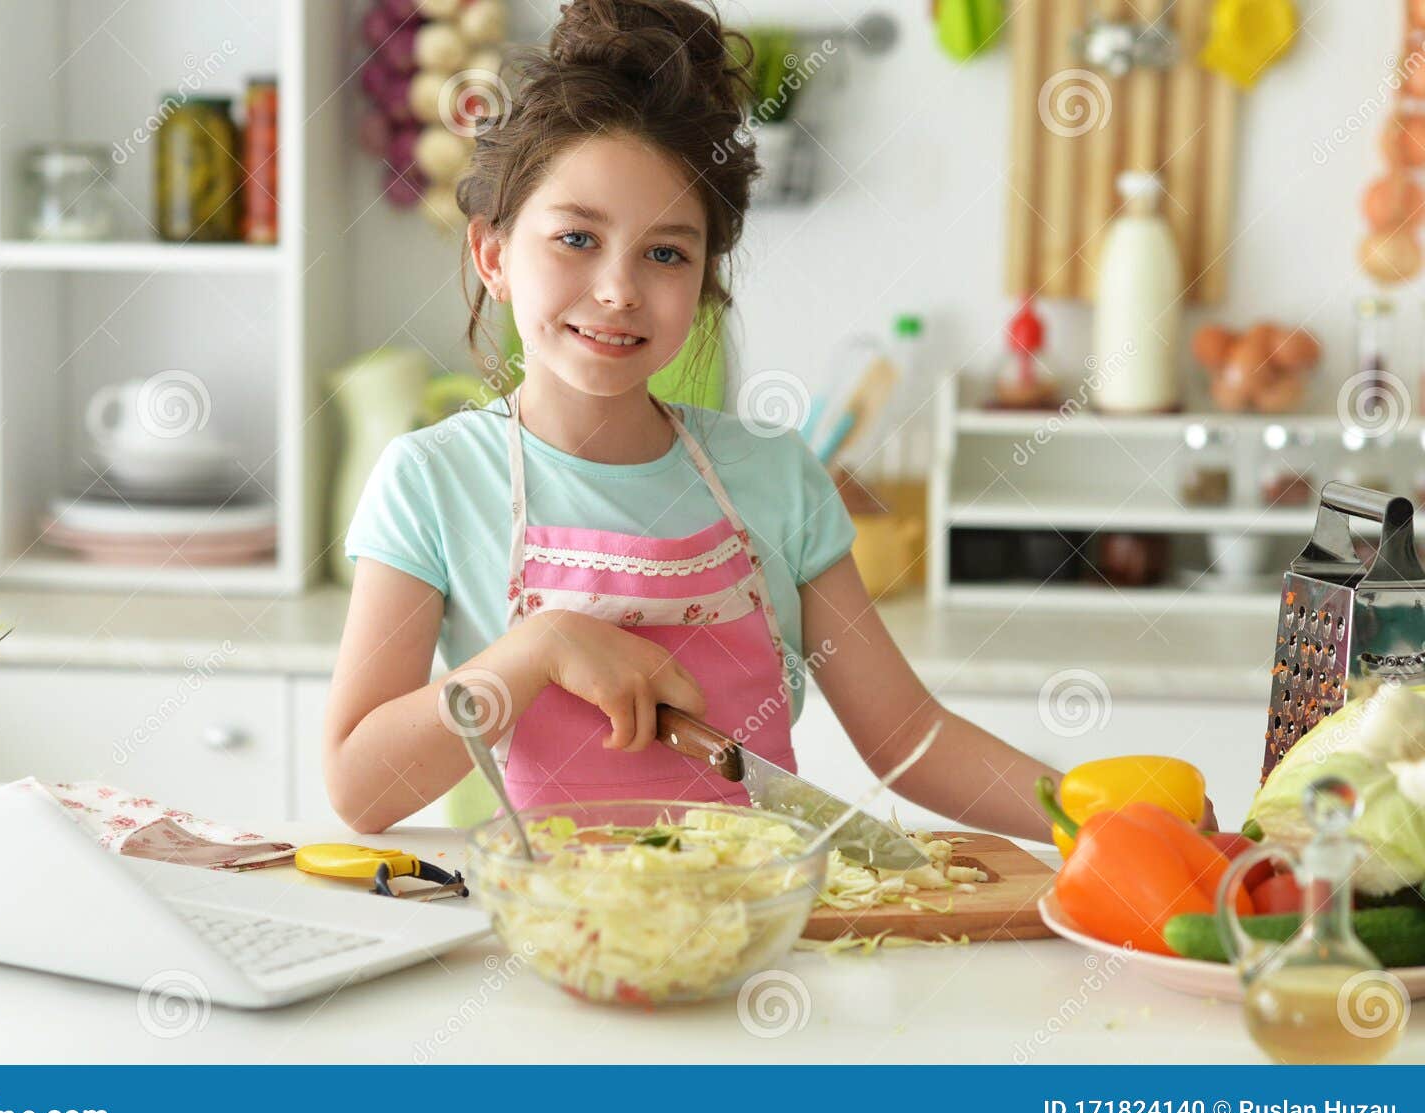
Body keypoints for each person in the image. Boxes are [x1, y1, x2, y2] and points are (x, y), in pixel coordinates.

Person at [325, 0, 1064, 839]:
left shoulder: (777, 477)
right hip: (547, 942)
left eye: (667, 252)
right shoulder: (432, 481)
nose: (619, 289)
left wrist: (1094, 816)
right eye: (576, 238)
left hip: (747, 930)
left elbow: (908, 739)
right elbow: (359, 786)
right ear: (494, 254)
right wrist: (539, 649)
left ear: (707, 282)